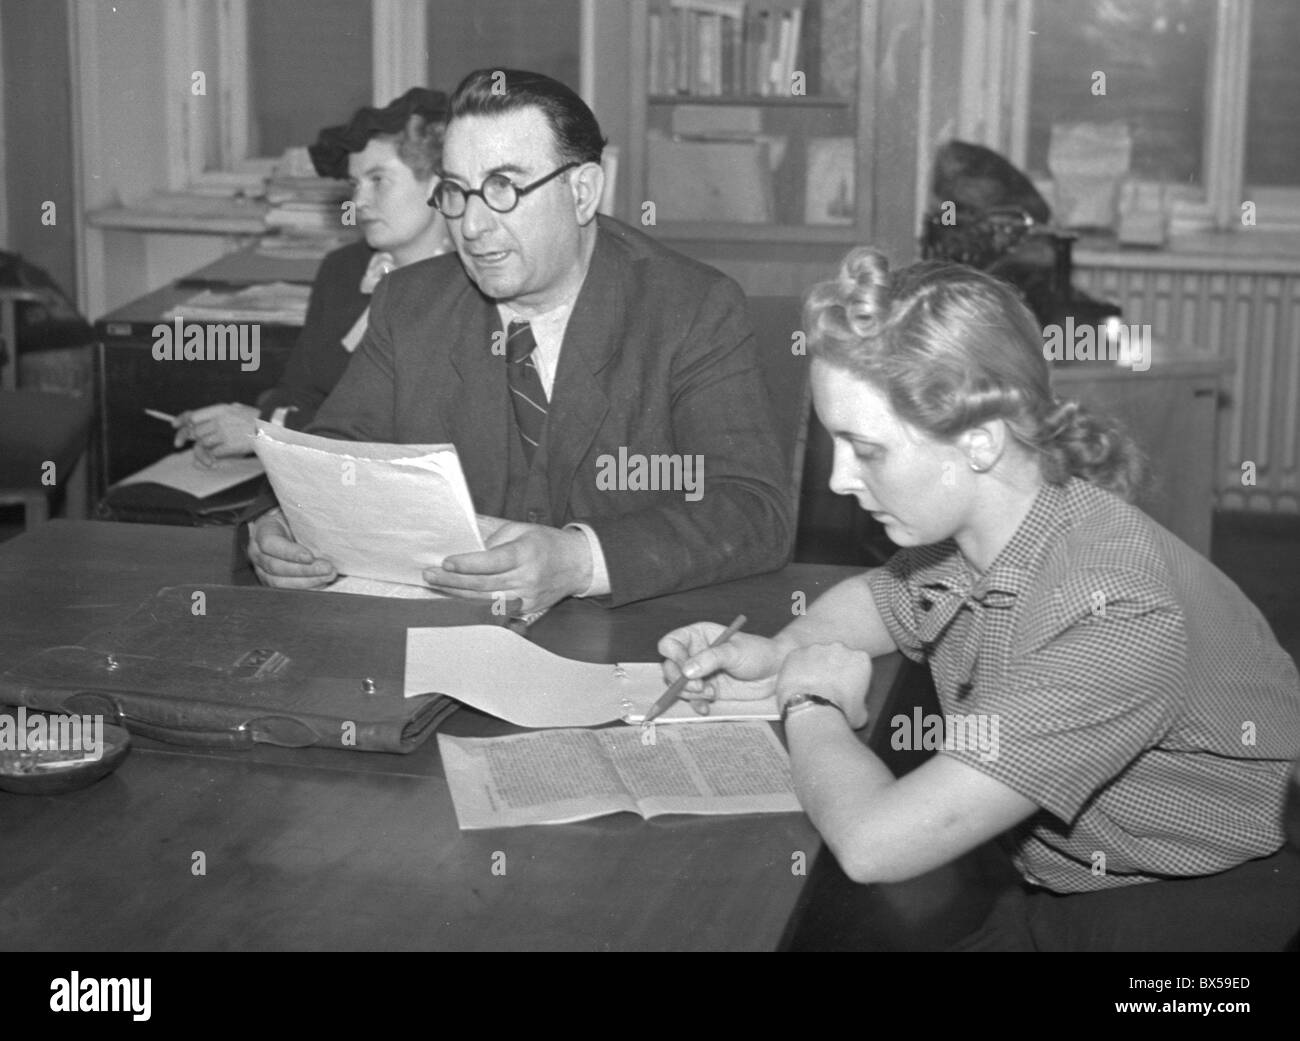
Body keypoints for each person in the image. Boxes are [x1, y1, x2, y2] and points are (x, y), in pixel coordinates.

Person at [659, 247, 1300, 951]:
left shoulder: (1117, 616)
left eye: (866, 449)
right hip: (1057, 876)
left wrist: (809, 703)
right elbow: (881, 598)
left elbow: (876, 844)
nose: (841, 479)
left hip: (1205, 915)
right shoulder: (994, 525)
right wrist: (781, 649)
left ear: (981, 443)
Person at [246, 69, 791, 611]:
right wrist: (289, 523)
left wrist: (580, 560)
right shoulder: (409, 305)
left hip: (630, 643)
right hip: (451, 643)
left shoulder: (690, 307)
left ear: (582, 193)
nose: (473, 226)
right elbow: (337, 459)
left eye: (503, 187)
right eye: (457, 192)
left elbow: (753, 510)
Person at [173, 87, 453, 464]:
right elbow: (299, 390)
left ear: (438, 185)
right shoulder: (344, 270)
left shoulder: (468, 290)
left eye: (378, 180)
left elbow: (401, 439)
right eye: (355, 184)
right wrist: (234, 429)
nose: (358, 202)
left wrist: (264, 431)